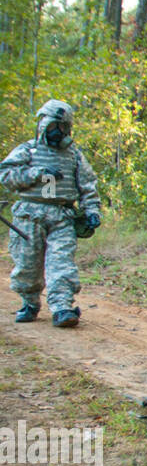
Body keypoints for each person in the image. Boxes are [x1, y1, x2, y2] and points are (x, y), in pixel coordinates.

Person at [0, 100, 102, 327]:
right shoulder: (28, 150)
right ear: (43, 125)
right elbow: (6, 175)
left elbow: (87, 185)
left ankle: (62, 308)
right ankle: (30, 302)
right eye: (54, 126)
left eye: (62, 127)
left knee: (62, 263)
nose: (58, 132)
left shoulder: (74, 155)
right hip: (29, 215)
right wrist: (37, 173)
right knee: (28, 264)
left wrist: (92, 210)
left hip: (62, 217)